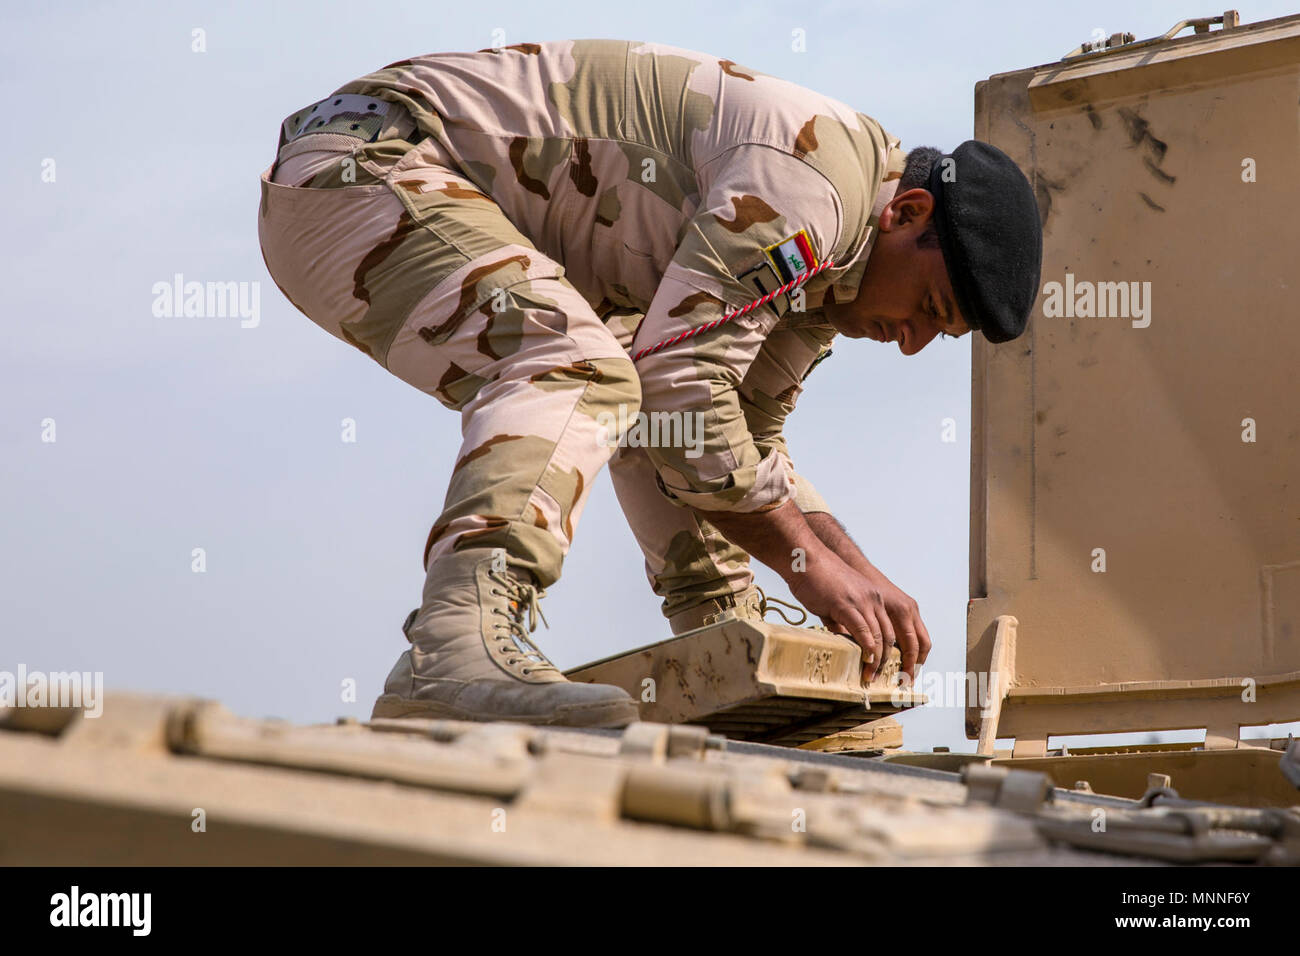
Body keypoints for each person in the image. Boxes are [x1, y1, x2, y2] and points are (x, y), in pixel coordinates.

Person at [257, 40, 1042, 727]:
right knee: (579, 366)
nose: (909, 343)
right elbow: (678, 389)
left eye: (937, 336)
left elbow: (733, 433)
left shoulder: (835, 271)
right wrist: (811, 567)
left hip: (399, 185)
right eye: (928, 310)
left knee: (648, 392)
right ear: (906, 213)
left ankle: (723, 652)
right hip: (366, 170)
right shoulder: (815, 192)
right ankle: (454, 644)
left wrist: (855, 574)